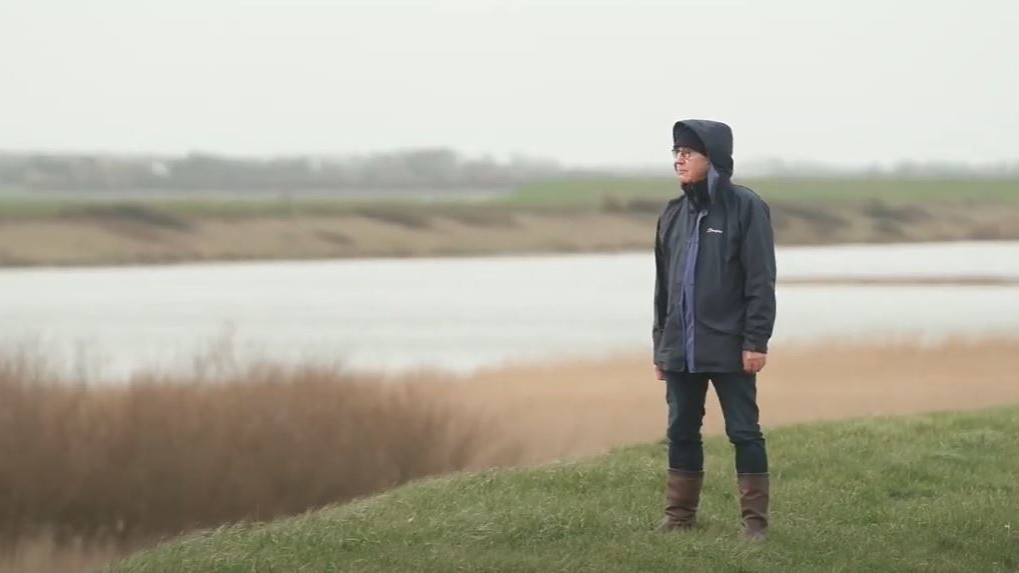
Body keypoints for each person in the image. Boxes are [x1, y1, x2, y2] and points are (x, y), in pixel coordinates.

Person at [652, 119, 777, 541]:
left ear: (714, 158)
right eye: (676, 152)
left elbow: (760, 279)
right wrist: (661, 345)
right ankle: (679, 518)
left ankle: (755, 524)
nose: (679, 160)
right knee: (681, 431)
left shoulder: (746, 207)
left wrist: (756, 341)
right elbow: (663, 288)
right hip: (679, 349)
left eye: (688, 152)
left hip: (730, 346)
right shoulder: (672, 213)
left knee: (744, 432)